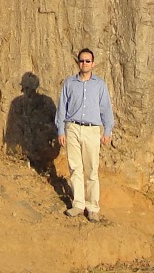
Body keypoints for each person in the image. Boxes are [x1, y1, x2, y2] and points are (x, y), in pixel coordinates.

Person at [55, 48, 114, 221]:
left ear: (93, 64)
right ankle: (78, 204)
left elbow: (106, 109)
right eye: (81, 60)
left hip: (92, 130)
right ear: (78, 63)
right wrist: (60, 130)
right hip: (72, 128)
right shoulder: (69, 83)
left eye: (88, 61)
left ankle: (93, 207)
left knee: (91, 169)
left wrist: (107, 131)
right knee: (75, 168)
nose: (84, 63)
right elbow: (62, 108)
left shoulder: (100, 85)